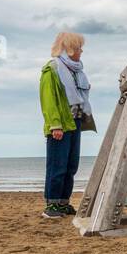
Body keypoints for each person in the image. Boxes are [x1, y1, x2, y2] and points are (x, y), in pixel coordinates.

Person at [39, 31, 96, 219]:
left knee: (71, 165)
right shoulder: (52, 69)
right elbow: (49, 100)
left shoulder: (77, 71)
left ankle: (64, 202)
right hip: (61, 125)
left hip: (75, 122)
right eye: (79, 47)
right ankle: (52, 204)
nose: (81, 51)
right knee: (57, 165)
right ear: (69, 48)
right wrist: (55, 125)